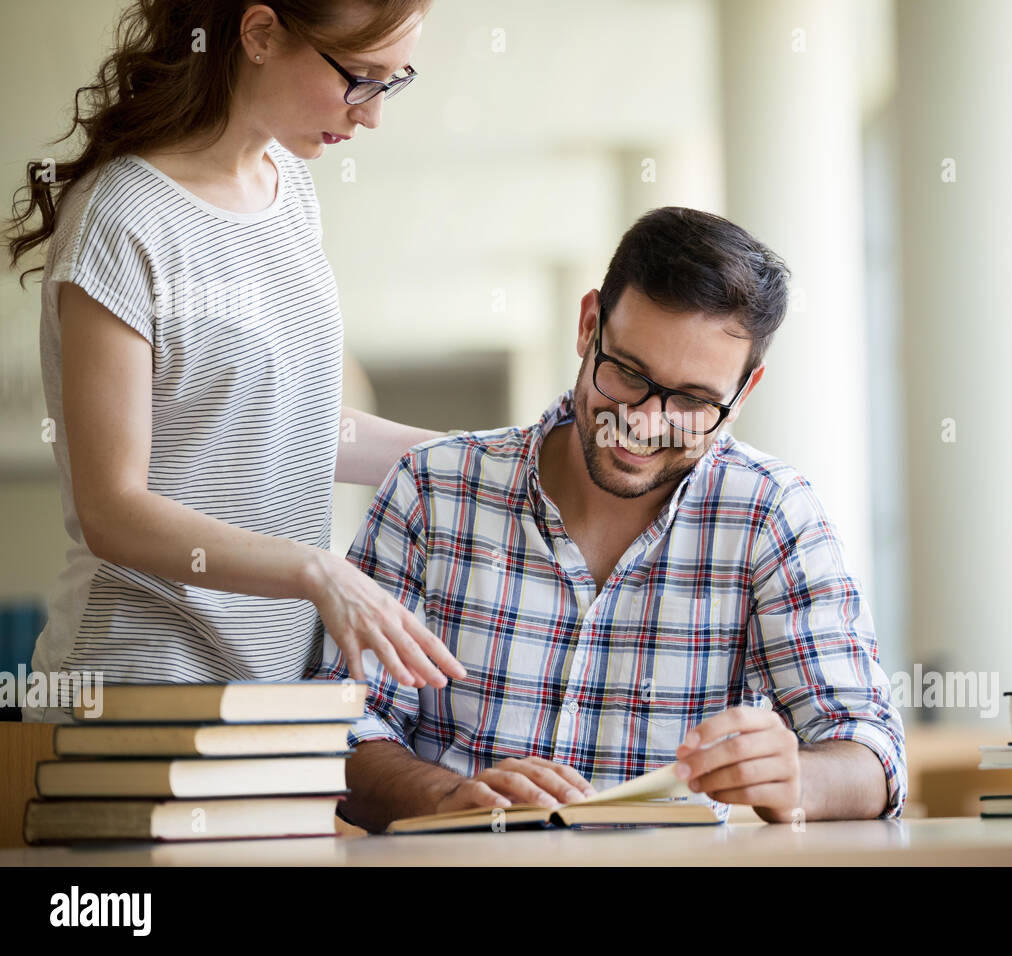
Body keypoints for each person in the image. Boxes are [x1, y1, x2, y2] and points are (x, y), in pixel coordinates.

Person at [308, 207, 908, 831]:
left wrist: (797, 777)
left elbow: (874, 752)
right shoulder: (432, 489)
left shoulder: (772, 517)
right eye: (628, 373)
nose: (644, 423)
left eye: (694, 400)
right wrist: (442, 798)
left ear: (742, 393)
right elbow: (338, 726)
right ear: (589, 324)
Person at [5, 1, 466, 722]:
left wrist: (471, 458)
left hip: (272, 689)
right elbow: (112, 510)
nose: (372, 115)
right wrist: (315, 571)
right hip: (136, 685)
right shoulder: (121, 217)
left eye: (391, 81)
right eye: (361, 78)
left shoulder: (289, 190)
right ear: (259, 34)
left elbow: (287, 426)